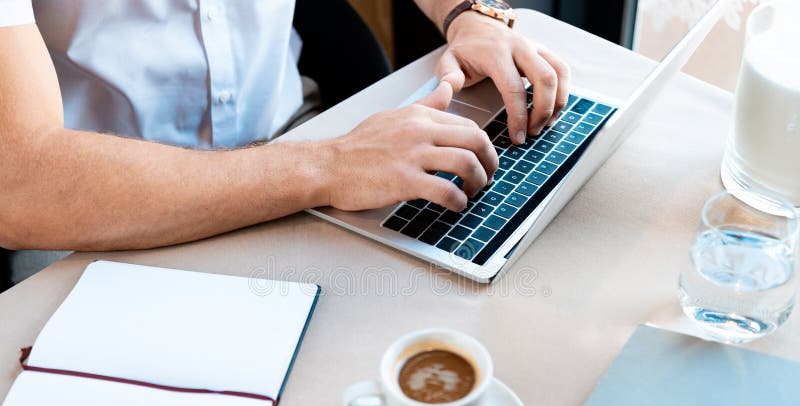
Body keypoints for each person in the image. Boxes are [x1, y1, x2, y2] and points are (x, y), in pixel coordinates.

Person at [0, 1, 569, 257]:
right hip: (97, 212)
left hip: (296, 139)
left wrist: (467, 12)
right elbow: (19, 188)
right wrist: (331, 166)